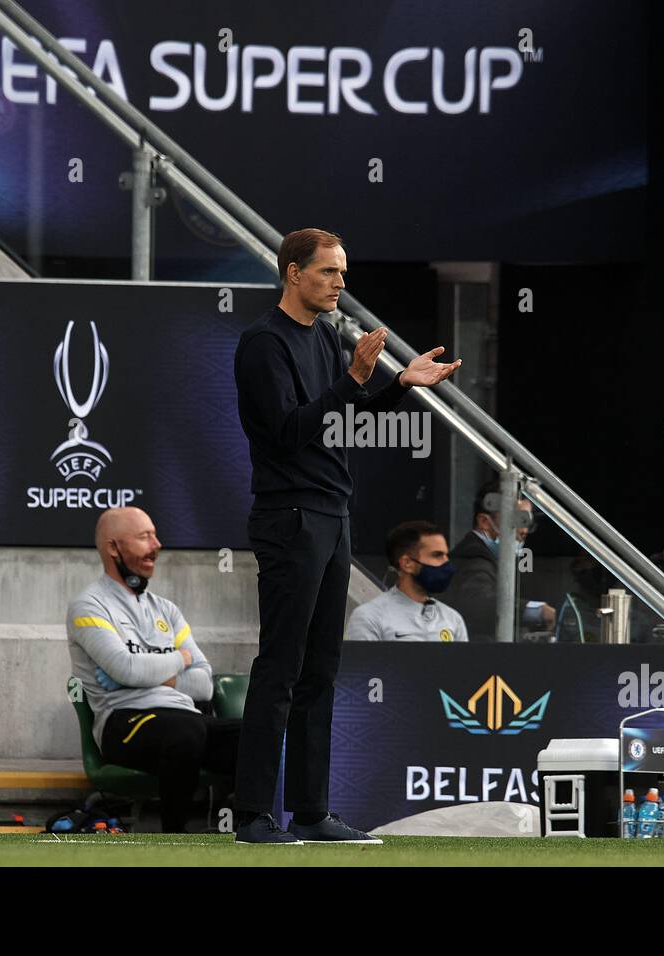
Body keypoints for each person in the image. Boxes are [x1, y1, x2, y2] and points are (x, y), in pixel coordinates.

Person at [231, 227, 460, 844]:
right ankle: (252, 815)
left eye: (343, 272)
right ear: (292, 273)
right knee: (280, 665)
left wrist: (397, 386)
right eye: (329, 272)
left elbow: (345, 419)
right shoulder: (262, 344)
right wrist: (353, 380)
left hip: (333, 513)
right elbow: (286, 433)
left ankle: (310, 811)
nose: (340, 283)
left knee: (321, 670)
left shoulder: (329, 339)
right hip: (289, 515)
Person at [65, 507, 239, 833]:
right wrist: (180, 658)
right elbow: (127, 668)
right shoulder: (89, 605)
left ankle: (255, 832)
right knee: (185, 733)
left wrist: (147, 673)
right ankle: (173, 840)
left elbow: (203, 685)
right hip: (123, 721)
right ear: (113, 548)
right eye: (144, 537)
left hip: (188, 719)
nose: (156, 545)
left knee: (257, 737)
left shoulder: (167, 610)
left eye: (155, 536)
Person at [440, 478, 555, 642]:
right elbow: (479, 605)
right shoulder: (474, 558)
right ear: (485, 522)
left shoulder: (490, 558)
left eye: (526, 521)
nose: (524, 531)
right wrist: (535, 611)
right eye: (517, 519)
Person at [346, 520, 468, 642]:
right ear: (407, 563)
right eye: (437, 555)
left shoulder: (452, 619)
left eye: (447, 555)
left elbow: (465, 661)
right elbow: (362, 661)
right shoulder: (369, 617)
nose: (446, 563)